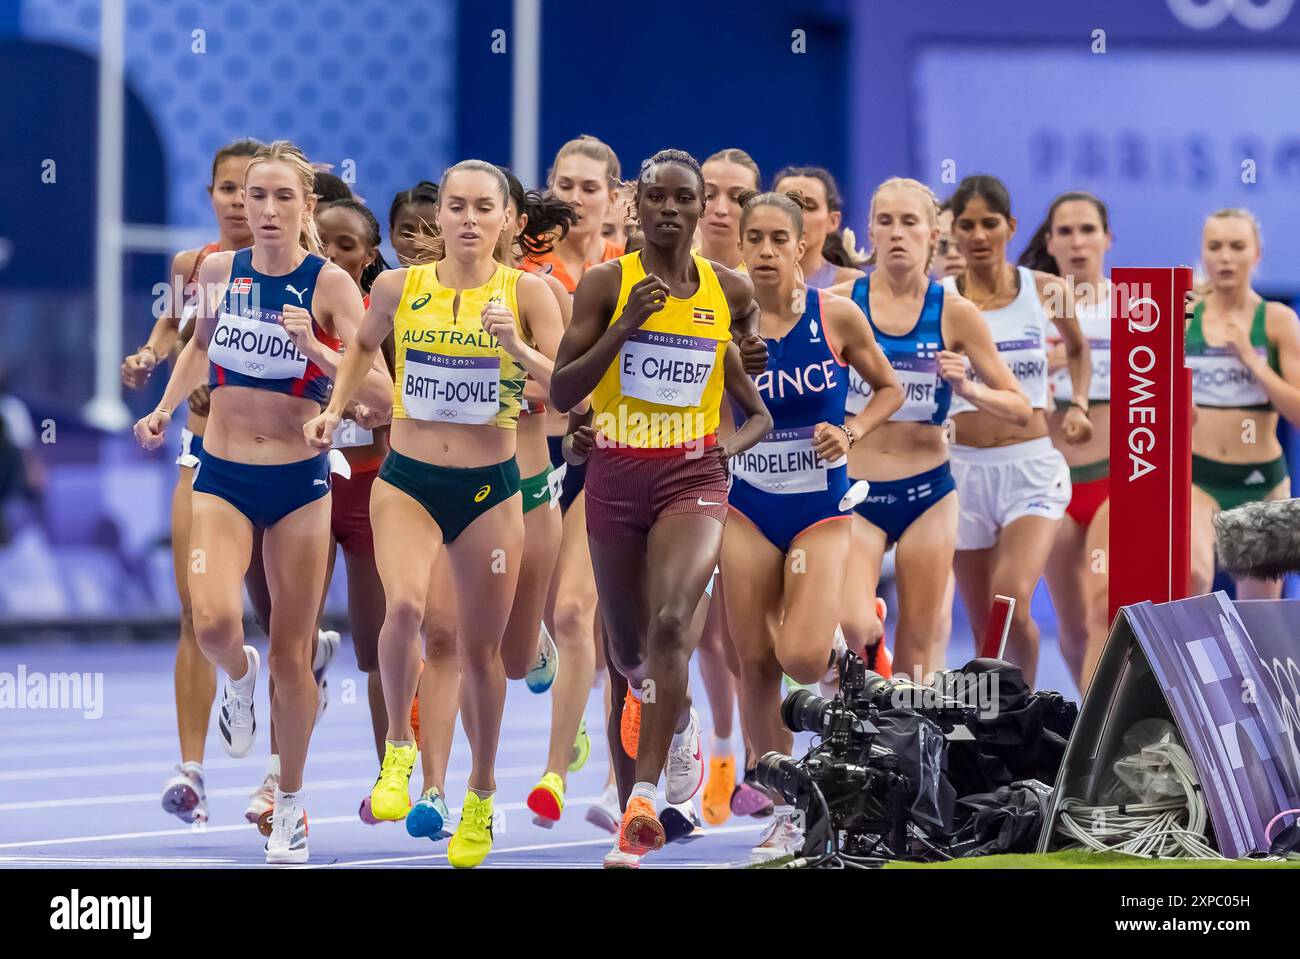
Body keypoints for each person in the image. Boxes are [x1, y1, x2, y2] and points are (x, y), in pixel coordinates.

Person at [133, 140, 392, 863]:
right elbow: (197, 346)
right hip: (221, 470)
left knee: (293, 651)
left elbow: (379, 398)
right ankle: (235, 681)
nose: (268, 209)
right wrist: (165, 406)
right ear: (240, 206)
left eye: (283, 198)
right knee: (214, 621)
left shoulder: (333, 285)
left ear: (307, 207)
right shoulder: (220, 271)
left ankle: (293, 805)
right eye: (255, 196)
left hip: (300, 483)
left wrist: (317, 349)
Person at [305, 159, 563, 869]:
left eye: (486, 207)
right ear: (441, 216)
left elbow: (576, 384)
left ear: (510, 219)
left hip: (491, 490)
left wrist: (517, 347)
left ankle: (480, 794)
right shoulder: (396, 287)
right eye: (457, 206)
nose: (470, 219)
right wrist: (332, 412)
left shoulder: (530, 293)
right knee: (408, 612)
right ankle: (398, 754)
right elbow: (360, 349)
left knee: (482, 655)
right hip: (408, 479)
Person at [551, 147, 771, 863]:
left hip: (692, 475)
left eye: (685, 199)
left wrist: (723, 450)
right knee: (627, 659)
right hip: (615, 473)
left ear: (703, 207)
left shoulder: (728, 289)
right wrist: (622, 328)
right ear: (635, 207)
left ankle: (645, 801)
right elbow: (560, 391)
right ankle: (657, 756)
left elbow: (748, 382)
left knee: (674, 623)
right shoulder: (605, 283)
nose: (670, 210)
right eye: (657, 199)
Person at [722, 191, 902, 860]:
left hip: (820, 506)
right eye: (754, 239)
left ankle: (843, 663)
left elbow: (890, 389)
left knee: (799, 654)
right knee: (753, 659)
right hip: (747, 501)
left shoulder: (837, 315)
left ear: (802, 245)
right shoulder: (721, 320)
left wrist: (850, 429)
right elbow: (707, 408)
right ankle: (786, 806)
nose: (766, 251)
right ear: (740, 245)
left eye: (779, 238)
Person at [830, 178, 1032, 681]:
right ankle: (871, 634)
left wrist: (969, 389)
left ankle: (908, 752)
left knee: (920, 643)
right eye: (885, 221)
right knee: (853, 624)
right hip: (856, 489)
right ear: (870, 232)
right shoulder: (838, 304)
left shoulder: (955, 312)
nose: (897, 233)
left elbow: (1019, 406)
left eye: (910, 222)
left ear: (933, 237)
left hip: (929, 493)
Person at [121, 138, 261, 824]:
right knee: (197, 613)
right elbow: (180, 328)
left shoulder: (309, 271)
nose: (240, 201)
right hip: (204, 455)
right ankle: (194, 770)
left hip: (287, 463)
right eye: (228, 188)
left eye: (254, 189)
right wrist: (151, 357)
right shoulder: (194, 266)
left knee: (287, 627)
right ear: (210, 195)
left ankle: (277, 782)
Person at [942, 174, 1093, 687]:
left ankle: (1019, 718)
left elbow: (1077, 347)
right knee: (988, 624)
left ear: (1011, 227)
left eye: (990, 223)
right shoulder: (938, 300)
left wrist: (1076, 403)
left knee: (1012, 600)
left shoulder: (1046, 290)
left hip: (1030, 465)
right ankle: (1005, 724)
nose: (979, 235)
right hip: (962, 474)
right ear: (953, 231)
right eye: (967, 225)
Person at [529, 135, 628, 833]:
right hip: (531, 455)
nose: (575, 197)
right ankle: (553, 668)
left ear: (616, 199)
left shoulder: (636, 271)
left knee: (574, 612)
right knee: (528, 623)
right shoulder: (523, 268)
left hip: (606, 457)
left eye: (590, 187)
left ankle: (555, 772)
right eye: (564, 184)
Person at [1019, 192, 1114, 691]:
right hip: (1051, 480)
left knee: (1104, 604)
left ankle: (1102, 739)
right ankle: (1089, 737)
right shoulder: (1028, 309)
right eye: (1066, 232)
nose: (1078, 242)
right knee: (1073, 626)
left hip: (1112, 478)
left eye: (1088, 229)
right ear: (1050, 242)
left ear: (1107, 238)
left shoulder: (1132, 308)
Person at [315, 197, 393, 768]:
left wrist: (376, 412)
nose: (335, 254)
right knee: (289, 644)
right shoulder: (290, 308)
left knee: (375, 647)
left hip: (369, 491)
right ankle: (277, 783)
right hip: (305, 491)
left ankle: (392, 767)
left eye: (348, 245)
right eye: (324, 242)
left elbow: (404, 400)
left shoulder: (383, 314)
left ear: (369, 257)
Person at [1187, 209, 1300, 602]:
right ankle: (1192, 666)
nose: (1225, 257)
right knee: (1191, 576)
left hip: (1262, 483)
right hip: (1196, 479)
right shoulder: (1184, 317)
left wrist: (1251, 362)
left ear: (1257, 255)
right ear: (1202, 253)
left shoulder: (1277, 321)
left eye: (1237, 246)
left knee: (1258, 619)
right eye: (1214, 246)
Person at [771, 166, 865, 289]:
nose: (796, 216)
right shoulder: (747, 283)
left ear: (833, 221)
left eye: (809, 207)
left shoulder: (853, 285)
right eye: (786, 205)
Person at [389, 181, 440, 266]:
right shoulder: (382, 279)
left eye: (431, 233)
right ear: (391, 236)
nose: (418, 244)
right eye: (407, 234)